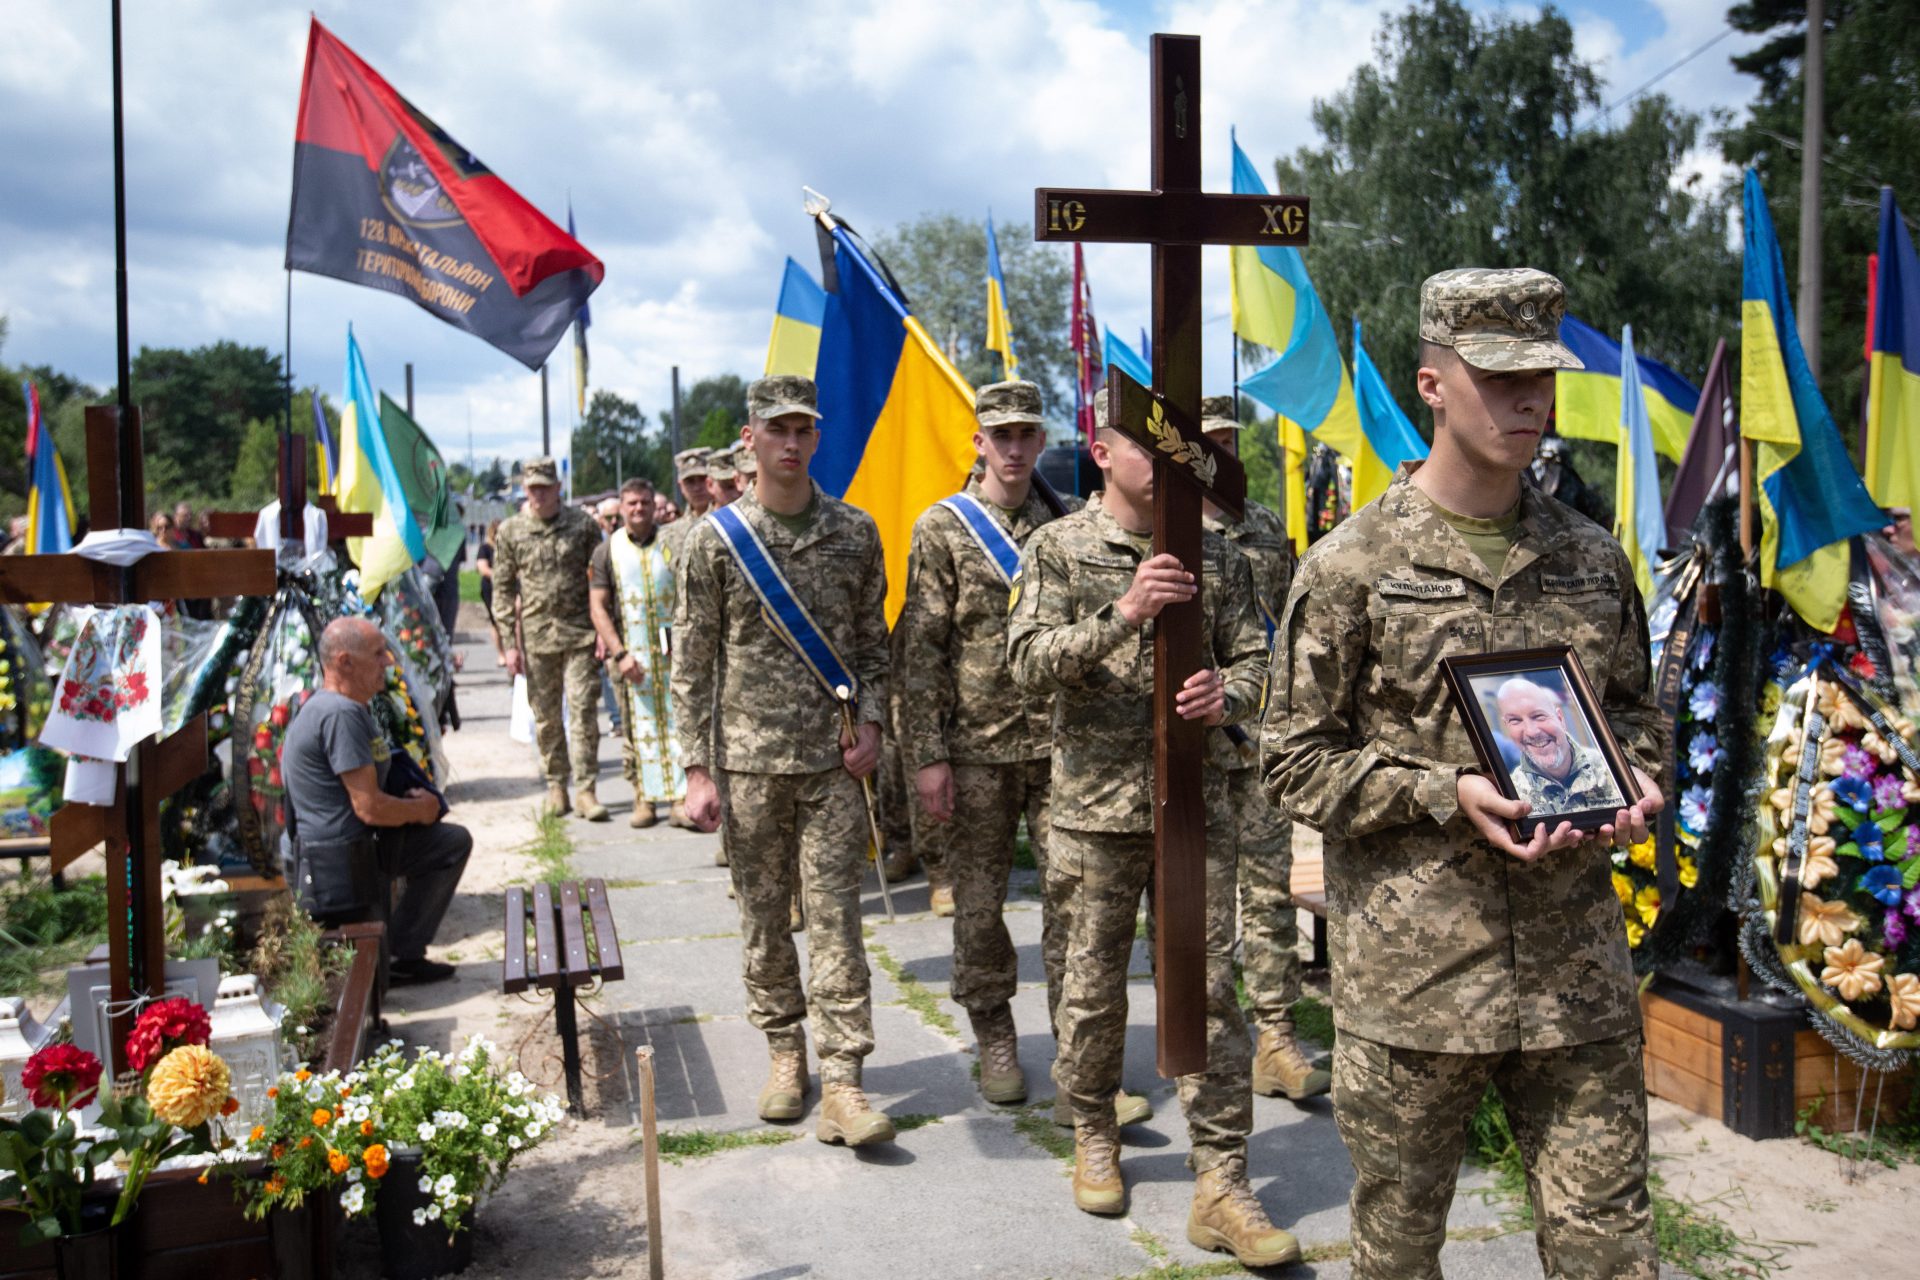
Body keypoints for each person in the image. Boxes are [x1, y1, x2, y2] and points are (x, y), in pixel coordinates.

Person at [1262, 267, 1667, 1280]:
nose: (1530, 399)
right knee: (1398, 1256)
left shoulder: (1590, 557)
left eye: (1542, 376)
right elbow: (1292, 757)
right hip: (1416, 989)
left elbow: (1633, 715)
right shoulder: (1353, 564)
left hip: (1575, 975)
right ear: (1432, 384)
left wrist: (1635, 783)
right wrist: (1447, 792)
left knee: (1612, 1250)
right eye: (1501, 377)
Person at [1007, 401, 1295, 1267]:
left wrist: (1228, 696)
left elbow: (1259, 660)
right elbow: (1023, 663)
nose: (1176, 458)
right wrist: (1124, 614)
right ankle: (1095, 1126)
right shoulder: (1058, 548)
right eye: (1151, 443)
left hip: (1191, 806)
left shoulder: (1217, 554)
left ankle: (1222, 1179)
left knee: (1207, 989)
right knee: (1092, 988)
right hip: (1095, 814)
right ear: (1100, 452)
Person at [672, 374, 895, 1149]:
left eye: (803, 429)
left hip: (834, 768)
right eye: (777, 430)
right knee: (765, 923)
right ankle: (783, 1054)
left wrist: (872, 723)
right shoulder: (715, 540)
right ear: (750, 438)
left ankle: (844, 1078)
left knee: (838, 923)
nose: (791, 443)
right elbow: (692, 664)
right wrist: (696, 771)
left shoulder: (855, 532)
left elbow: (874, 646)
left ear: (816, 436)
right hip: (748, 767)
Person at [896, 380, 1066, 1105]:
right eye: (1002, 435)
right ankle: (995, 1034)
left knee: (1075, 900)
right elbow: (922, 652)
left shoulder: (1065, 521)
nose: (1016, 448)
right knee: (978, 905)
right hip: (975, 749)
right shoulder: (944, 528)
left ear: (1042, 442)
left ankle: (1077, 1045)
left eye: (1027, 434)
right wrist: (927, 758)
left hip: (1059, 749)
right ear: (979, 442)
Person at [1190, 396, 1328, 1103]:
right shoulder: (1167, 532)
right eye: (1209, 442)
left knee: (1271, 895)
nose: (1223, 455)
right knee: (1204, 911)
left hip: (1262, 746)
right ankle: (1207, 1049)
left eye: (1230, 442)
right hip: (1193, 754)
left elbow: (1288, 636)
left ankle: (1275, 1036)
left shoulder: (1265, 528)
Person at [282, 617, 471, 986]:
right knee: (368, 991)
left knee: (450, 843)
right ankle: (395, 957)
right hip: (340, 865)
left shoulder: (342, 707)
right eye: (378, 653)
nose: (388, 661)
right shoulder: (340, 715)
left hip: (360, 850)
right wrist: (421, 809)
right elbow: (368, 807)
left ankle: (404, 951)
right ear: (344, 662)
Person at [492, 457, 609, 821]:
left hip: (580, 634)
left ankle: (587, 789)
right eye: (533, 488)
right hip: (537, 638)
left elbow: (602, 578)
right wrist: (509, 646)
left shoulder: (583, 526)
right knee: (545, 718)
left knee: (584, 711)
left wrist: (606, 631)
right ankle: (557, 785)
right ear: (525, 490)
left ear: (559, 488)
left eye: (546, 486)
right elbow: (502, 589)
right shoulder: (511, 531)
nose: (540, 494)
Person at [590, 476, 690, 830]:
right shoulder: (608, 550)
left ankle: (681, 799)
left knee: (679, 723)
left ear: (654, 505)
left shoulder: (673, 541)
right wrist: (620, 654)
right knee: (635, 729)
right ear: (621, 507)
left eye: (645, 503)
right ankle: (643, 797)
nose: (638, 509)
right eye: (631, 503)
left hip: (673, 654)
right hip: (631, 656)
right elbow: (598, 607)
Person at [1495, 677, 1623, 814]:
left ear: (1560, 718)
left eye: (1538, 716)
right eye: (1515, 721)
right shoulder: (1511, 794)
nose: (1531, 732)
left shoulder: (1611, 769)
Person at [657, 448, 713, 570]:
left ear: (712, 480)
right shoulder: (670, 532)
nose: (697, 487)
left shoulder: (728, 519)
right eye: (690, 482)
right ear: (681, 486)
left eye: (702, 479)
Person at [476, 521, 503, 664]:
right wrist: (502, 576)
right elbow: (483, 568)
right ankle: (501, 654)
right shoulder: (485, 548)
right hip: (490, 588)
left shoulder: (507, 547)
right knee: (496, 621)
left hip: (509, 587)